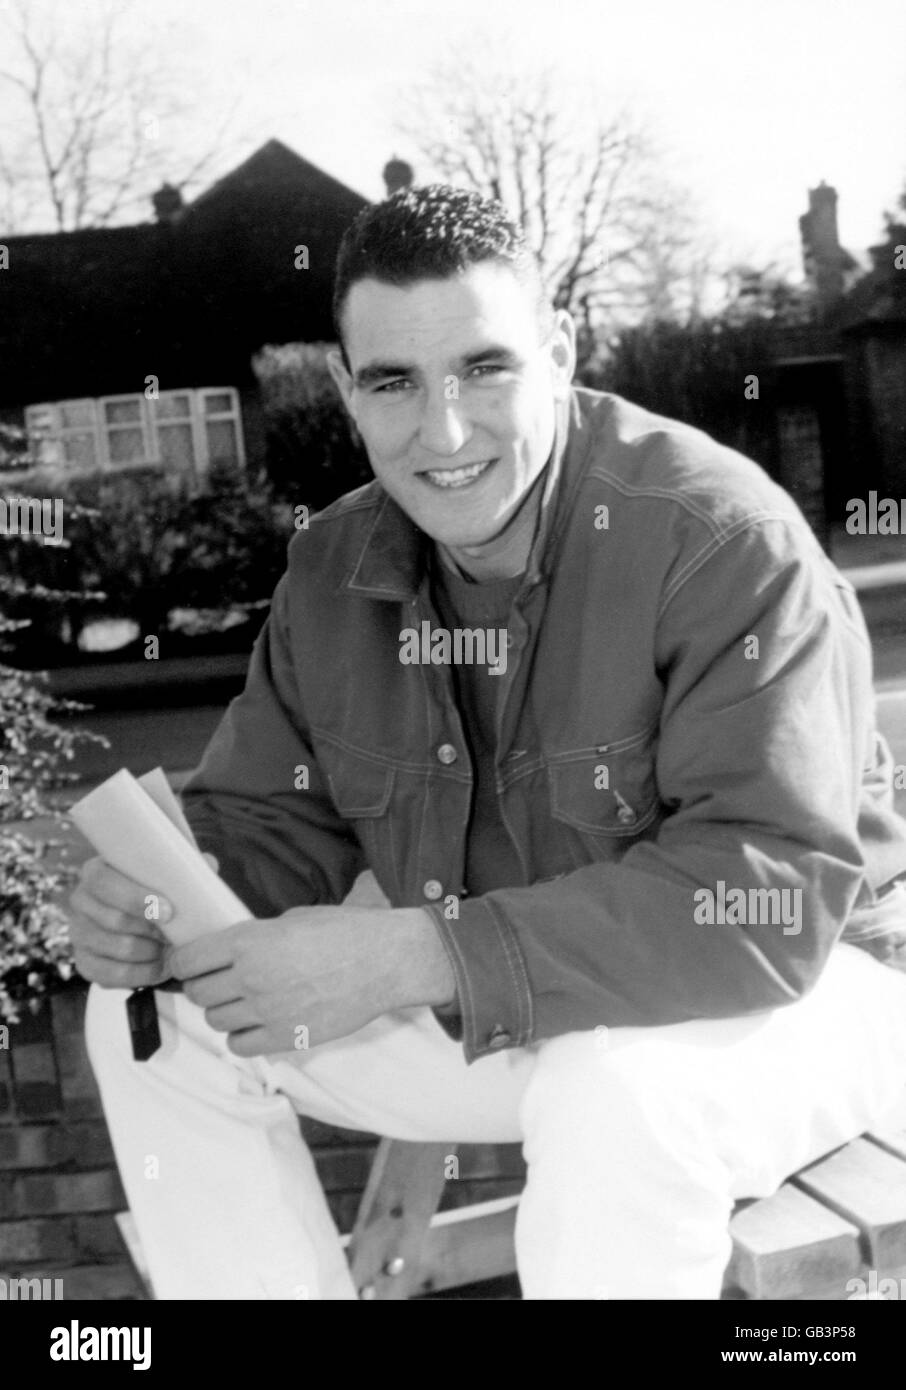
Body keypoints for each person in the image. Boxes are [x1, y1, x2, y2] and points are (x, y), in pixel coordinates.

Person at [70, 185, 906, 1301]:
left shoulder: (718, 538)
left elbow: (768, 894)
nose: (445, 430)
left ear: (558, 350)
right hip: (532, 1019)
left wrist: (414, 954)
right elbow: (262, 825)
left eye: (485, 368)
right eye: (396, 383)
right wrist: (154, 905)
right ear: (347, 391)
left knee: (615, 1099)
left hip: (802, 1001)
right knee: (166, 1017)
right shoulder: (332, 572)